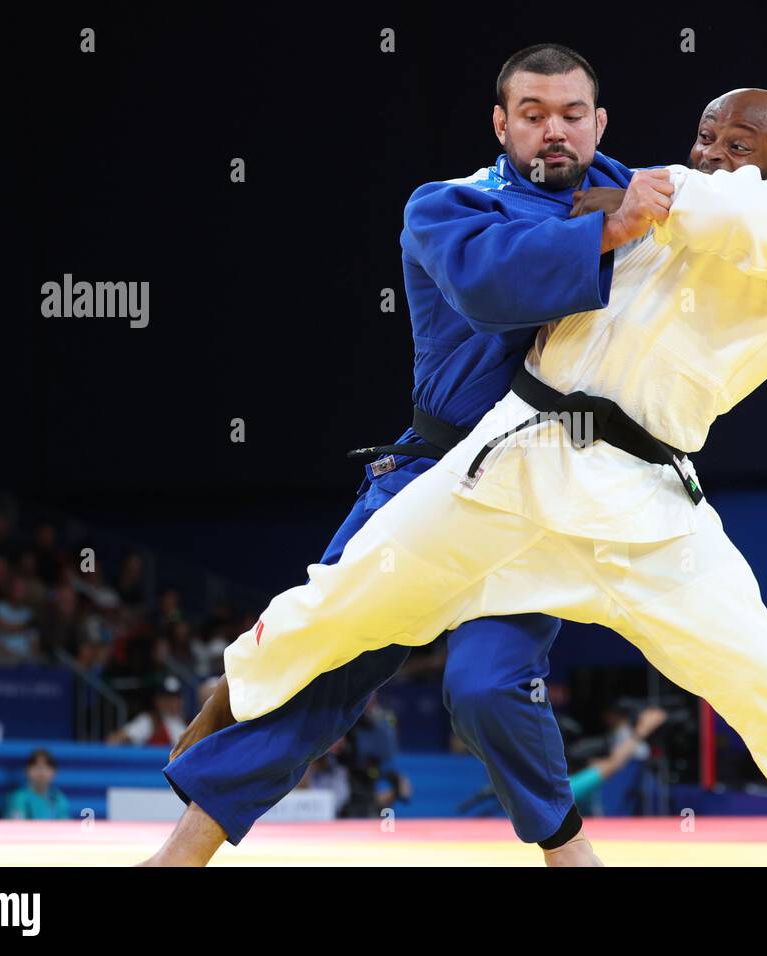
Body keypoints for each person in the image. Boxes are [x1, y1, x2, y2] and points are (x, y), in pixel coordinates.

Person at [207, 87, 767, 867]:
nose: (713, 154)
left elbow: (724, 210)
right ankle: (224, 697)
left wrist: (640, 194)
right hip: (511, 462)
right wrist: (616, 203)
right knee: (344, 596)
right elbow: (543, 228)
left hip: (648, 506)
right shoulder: (650, 196)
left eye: (739, 146)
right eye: (706, 137)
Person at [147, 43, 643, 867]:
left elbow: (727, 209)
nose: (552, 131)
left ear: (598, 122)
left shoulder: (638, 193)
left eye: (569, 115)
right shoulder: (448, 205)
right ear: (500, 124)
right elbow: (496, 288)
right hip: (429, 475)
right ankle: (181, 853)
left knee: (487, 689)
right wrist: (612, 228)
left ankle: (566, 850)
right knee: (328, 663)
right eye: (532, 115)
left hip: (537, 491)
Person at [3, 748, 71, 820]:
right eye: (36, 765)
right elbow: (16, 828)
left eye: (46, 766)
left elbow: (65, 826)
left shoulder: (59, 798)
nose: (41, 771)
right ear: (27, 770)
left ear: (54, 772)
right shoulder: (18, 798)